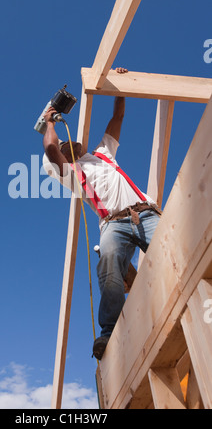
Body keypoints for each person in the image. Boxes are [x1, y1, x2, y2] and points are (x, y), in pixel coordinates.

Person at [42, 68, 161, 360]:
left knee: (172, 248)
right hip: (113, 224)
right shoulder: (70, 174)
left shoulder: (103, 153)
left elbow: (117, 117)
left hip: (145, 214)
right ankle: (110, 333)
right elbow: (49, 148)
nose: (72, 145)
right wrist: (49, 122)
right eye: (66, 147)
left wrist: (119, 86)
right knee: (108, 263)